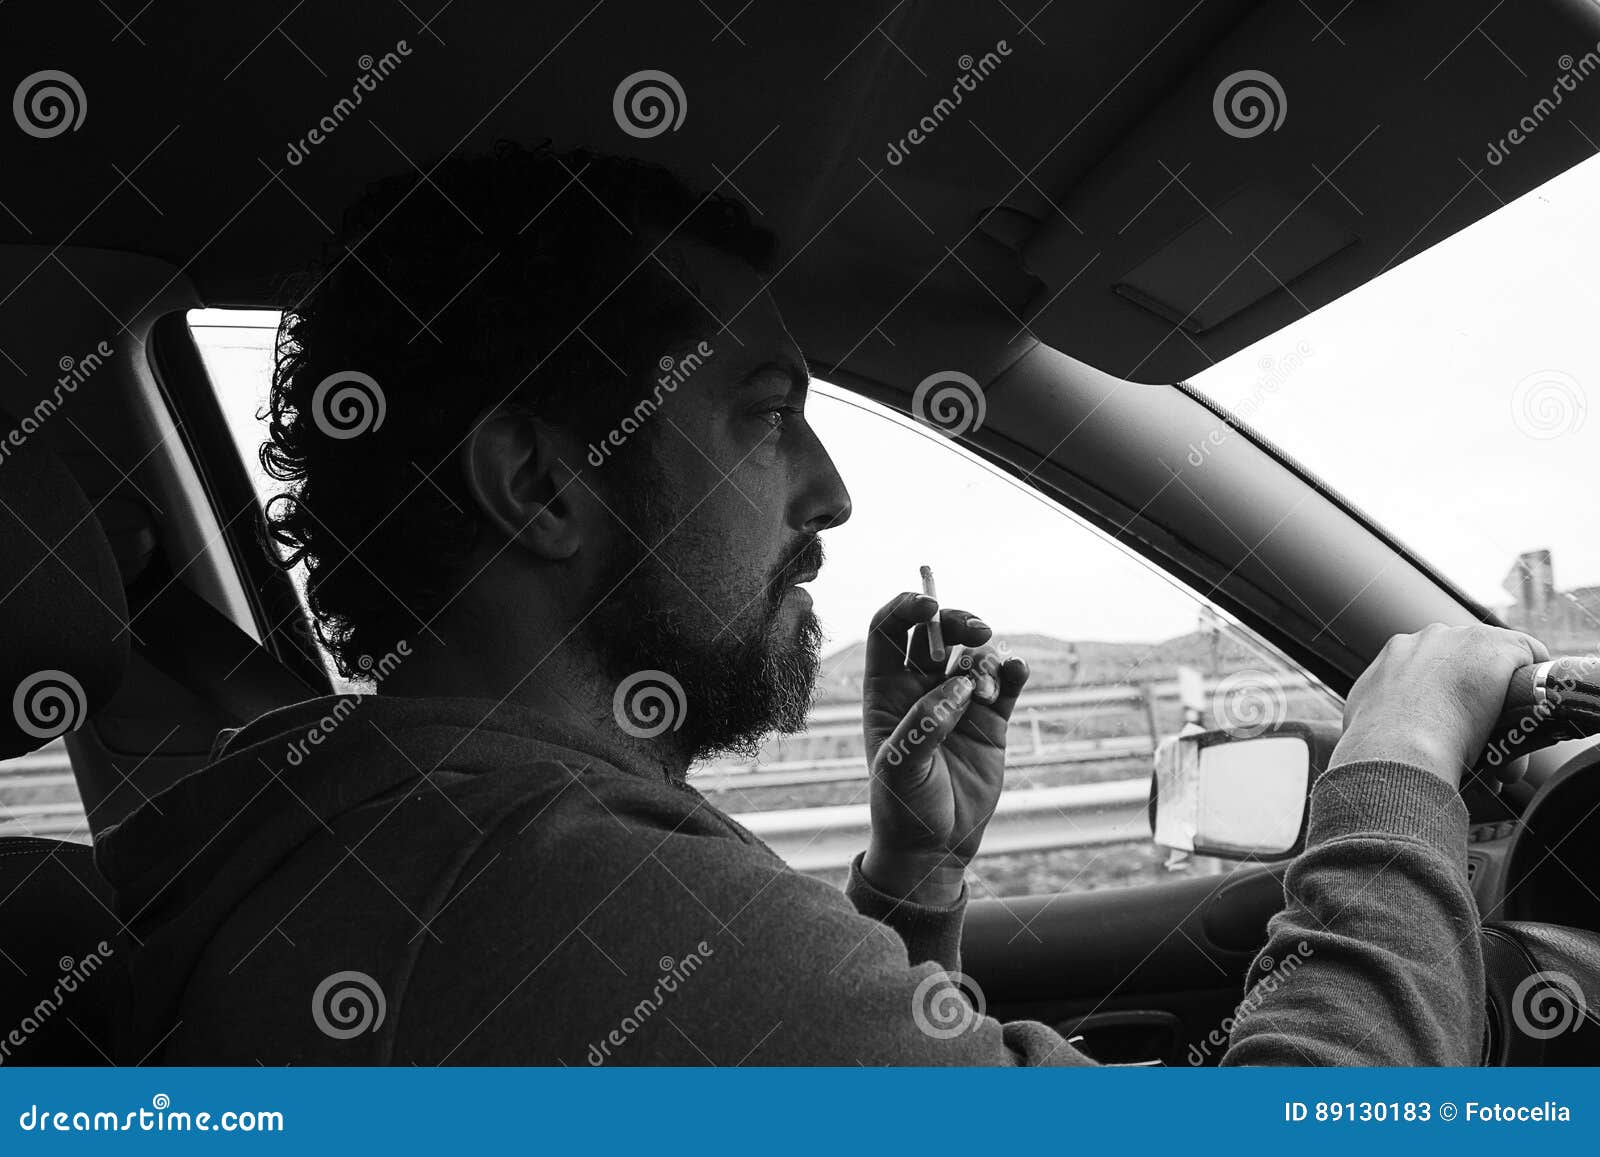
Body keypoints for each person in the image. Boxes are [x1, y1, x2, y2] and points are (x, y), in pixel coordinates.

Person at [96, 142, 1544, 1065]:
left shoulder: (371, 835)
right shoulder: (556, 896)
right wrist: (1397, 769)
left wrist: (914, 876)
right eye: (765, 412)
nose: (832, 488)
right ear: (543, 484)